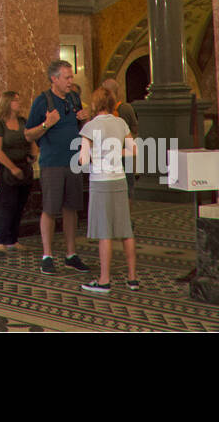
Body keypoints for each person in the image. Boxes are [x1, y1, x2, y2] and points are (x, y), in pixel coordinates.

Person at [25, 60, 91, 275]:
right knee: (51, 209)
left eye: (71, 77)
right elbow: (28, 134)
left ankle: (71, 254)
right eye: (67, 77)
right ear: (54, 79)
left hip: (73, 161)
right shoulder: (42, 101)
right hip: (52, 162)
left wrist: (84, 119)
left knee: (71, 208)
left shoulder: (73, 98)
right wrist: (47, 124)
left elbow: (80, 127)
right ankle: (47, 255)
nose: (71, 81)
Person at [77, 86, 138, 293]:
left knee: (105, 232)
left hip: (100, 181)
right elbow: (133, 151)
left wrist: (95, 154)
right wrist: (113, 151)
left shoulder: (90, 127)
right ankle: (132, 278)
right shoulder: (120, 122)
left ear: (95, 104)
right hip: (119, 179)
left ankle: (104, 280)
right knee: (125, 230)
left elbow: (83, 159)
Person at [0, 91, 36, 252]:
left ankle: (13, 239)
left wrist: (33, 155)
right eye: (15, 100)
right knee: (7, 203)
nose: (19, 102)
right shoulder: (0, 124)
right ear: (7, 103)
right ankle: (0, 239)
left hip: (24, 166)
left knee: (19, 204)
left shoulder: (23, 122)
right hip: (8, 169)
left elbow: (31, 140)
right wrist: (12, 167)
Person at [102, 78, 139, 201]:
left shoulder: (105, 110)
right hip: (120, 152)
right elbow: (135, 129)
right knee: (126, 185)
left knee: (121, 185)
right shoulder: (125, 108)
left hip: (115, 153)